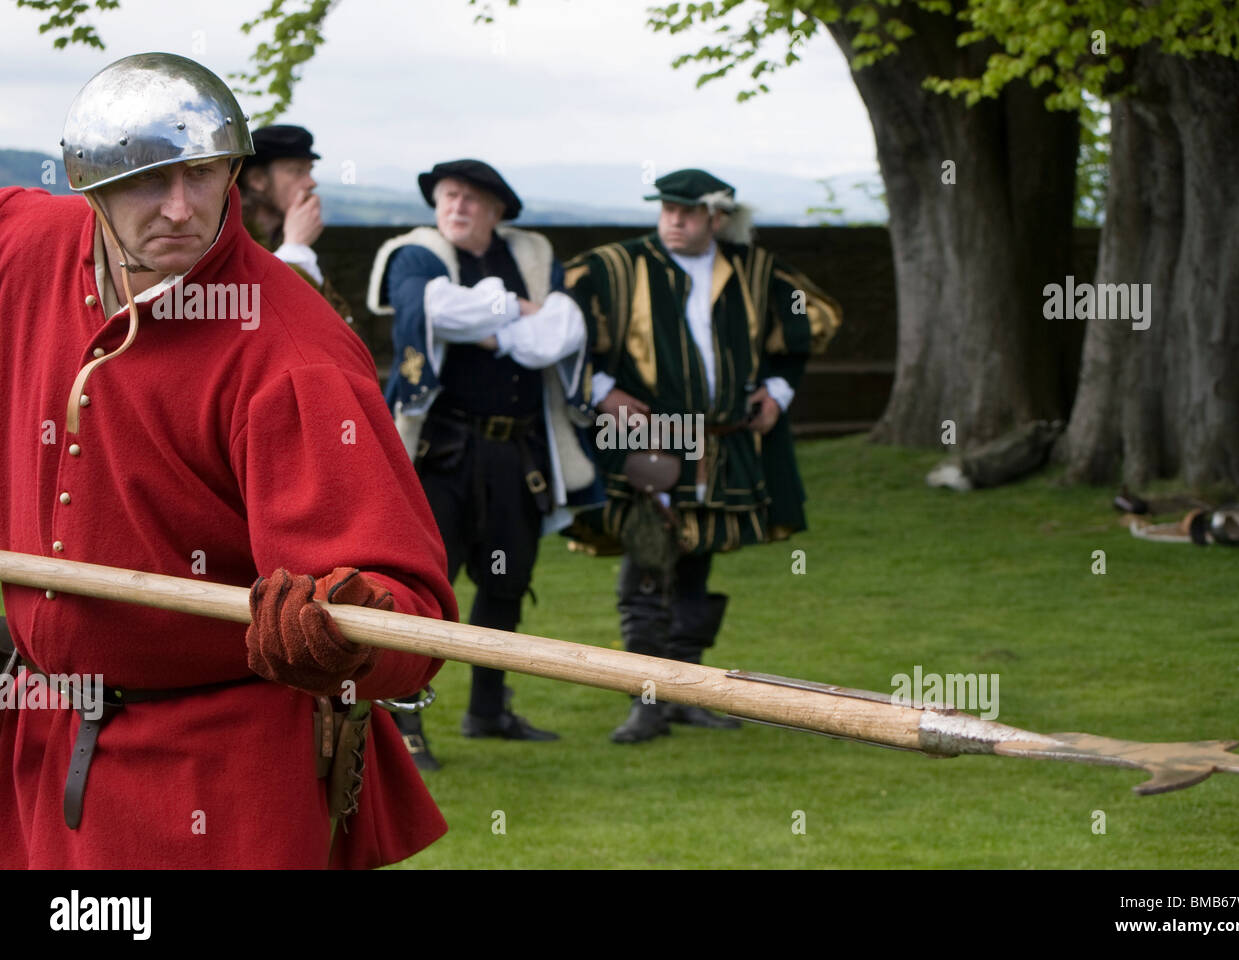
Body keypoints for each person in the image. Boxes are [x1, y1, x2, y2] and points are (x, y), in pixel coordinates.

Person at [0, 52, 458, 868]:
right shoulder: (30, 249)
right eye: (149, 179)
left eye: (206, 175)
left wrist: (342, 626)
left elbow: (409, 618)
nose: (181, 209)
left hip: (224, 770)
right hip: (48, 730)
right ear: (91, 184)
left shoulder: (293, 357)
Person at [565, 168, 842, 743]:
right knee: (647, 562)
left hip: (720, 441)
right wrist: (600, 390)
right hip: (649, 438)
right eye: (666, 208)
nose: (673, 219)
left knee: (698, 558)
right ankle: (647, 701)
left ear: (716, 218)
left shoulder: (755, 271)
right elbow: (559, 332)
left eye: (687, 212)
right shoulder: (612, 268)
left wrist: (778, 391)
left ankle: (685, 693)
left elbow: (802, 331)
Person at [367, 159, 600, 766]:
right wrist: (514, 311)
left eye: (472, 198)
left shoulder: (530, 254)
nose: (457, 207)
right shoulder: (414, 253)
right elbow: (436, 311)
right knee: (420, 588)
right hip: (440, 451)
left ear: (497, 211)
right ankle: (406, 727)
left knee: (505, 584)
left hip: (516, 451)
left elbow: (562, 331)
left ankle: (489, 711)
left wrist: (492, 318)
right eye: (448, 195)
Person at [237, 123, 353, 323]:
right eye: (297, 171)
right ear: (257, 180)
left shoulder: (284, 235)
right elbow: (253, 315)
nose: (311, 183)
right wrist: (296, 248)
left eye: (309, 170)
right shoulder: (229, 240)